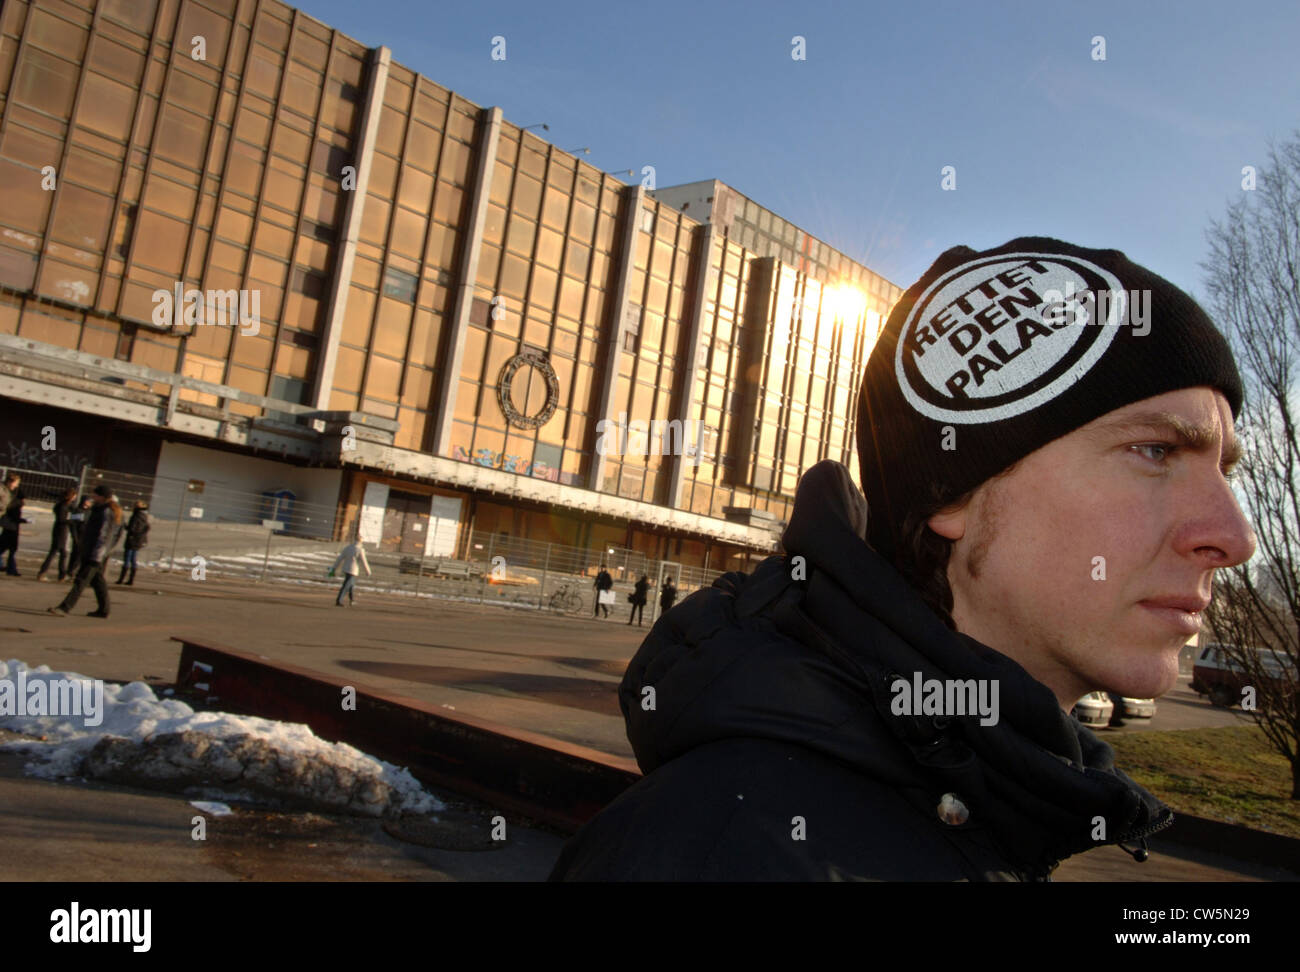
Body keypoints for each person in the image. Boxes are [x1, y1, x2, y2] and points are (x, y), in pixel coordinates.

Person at [550, 237, 1255, 881]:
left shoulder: (1001, 798)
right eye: (1155, 451)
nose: (1233, 535)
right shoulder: (727, 851)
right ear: (954, 494)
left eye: (1226, 469)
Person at [48, 485, 122, 618]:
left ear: (102, 497)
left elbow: (104, 535)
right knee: (97, 581)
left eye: (95, 495)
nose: (93, 497)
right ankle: (104, 610)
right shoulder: (99, 509)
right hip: (92, 550)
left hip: (96, 553)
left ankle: (65, 608)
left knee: (81, 580)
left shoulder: (106, 511)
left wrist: (97, 553)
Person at [38, 487, 79, 582]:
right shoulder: (62, 506)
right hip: (60, 530)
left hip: (61, 530)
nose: (74, 498)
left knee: (58, 553)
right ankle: (54, 573)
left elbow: (75, 511)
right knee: (58, 553)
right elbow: (62, 519)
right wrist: (72, 521)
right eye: (74, 496)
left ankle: (59, 574)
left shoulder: (65, 505)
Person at [328, 535, 370, 606]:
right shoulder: (360, 550)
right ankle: (339, 600)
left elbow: (340, 558)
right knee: (346, 585)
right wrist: (368, 571)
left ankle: (352, 600)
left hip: (346, 569)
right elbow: (364, 562)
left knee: (351, 584)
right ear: (361, 542)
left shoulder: (348, 548)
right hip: (353, 570)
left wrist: (334, 568)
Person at [116, 500, 151, 585]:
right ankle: (131, 579)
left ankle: (121, 579)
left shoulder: (136, 516)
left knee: (127, 559)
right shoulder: (144, 516)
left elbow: (132, 528)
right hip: (138, 540)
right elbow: (146, 528)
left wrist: (125, 526)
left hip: (132, 540)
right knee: (133, 559)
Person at [0, 472, 24, 576]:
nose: (16, 485)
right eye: (16, 483)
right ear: (10, 482)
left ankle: (7, 567)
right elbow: (4, 504)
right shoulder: (2, 489)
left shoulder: (11, 491)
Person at [64, 495, 92, 576]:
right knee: (75, 553)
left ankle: (73, 569)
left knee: (80, 555)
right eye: (88, 501)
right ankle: (70, 570)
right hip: (78, 534)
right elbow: (73, 523)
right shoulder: (78, 511)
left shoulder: (89, 512)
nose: (89, 503)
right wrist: (74, 536)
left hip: (86, 536)